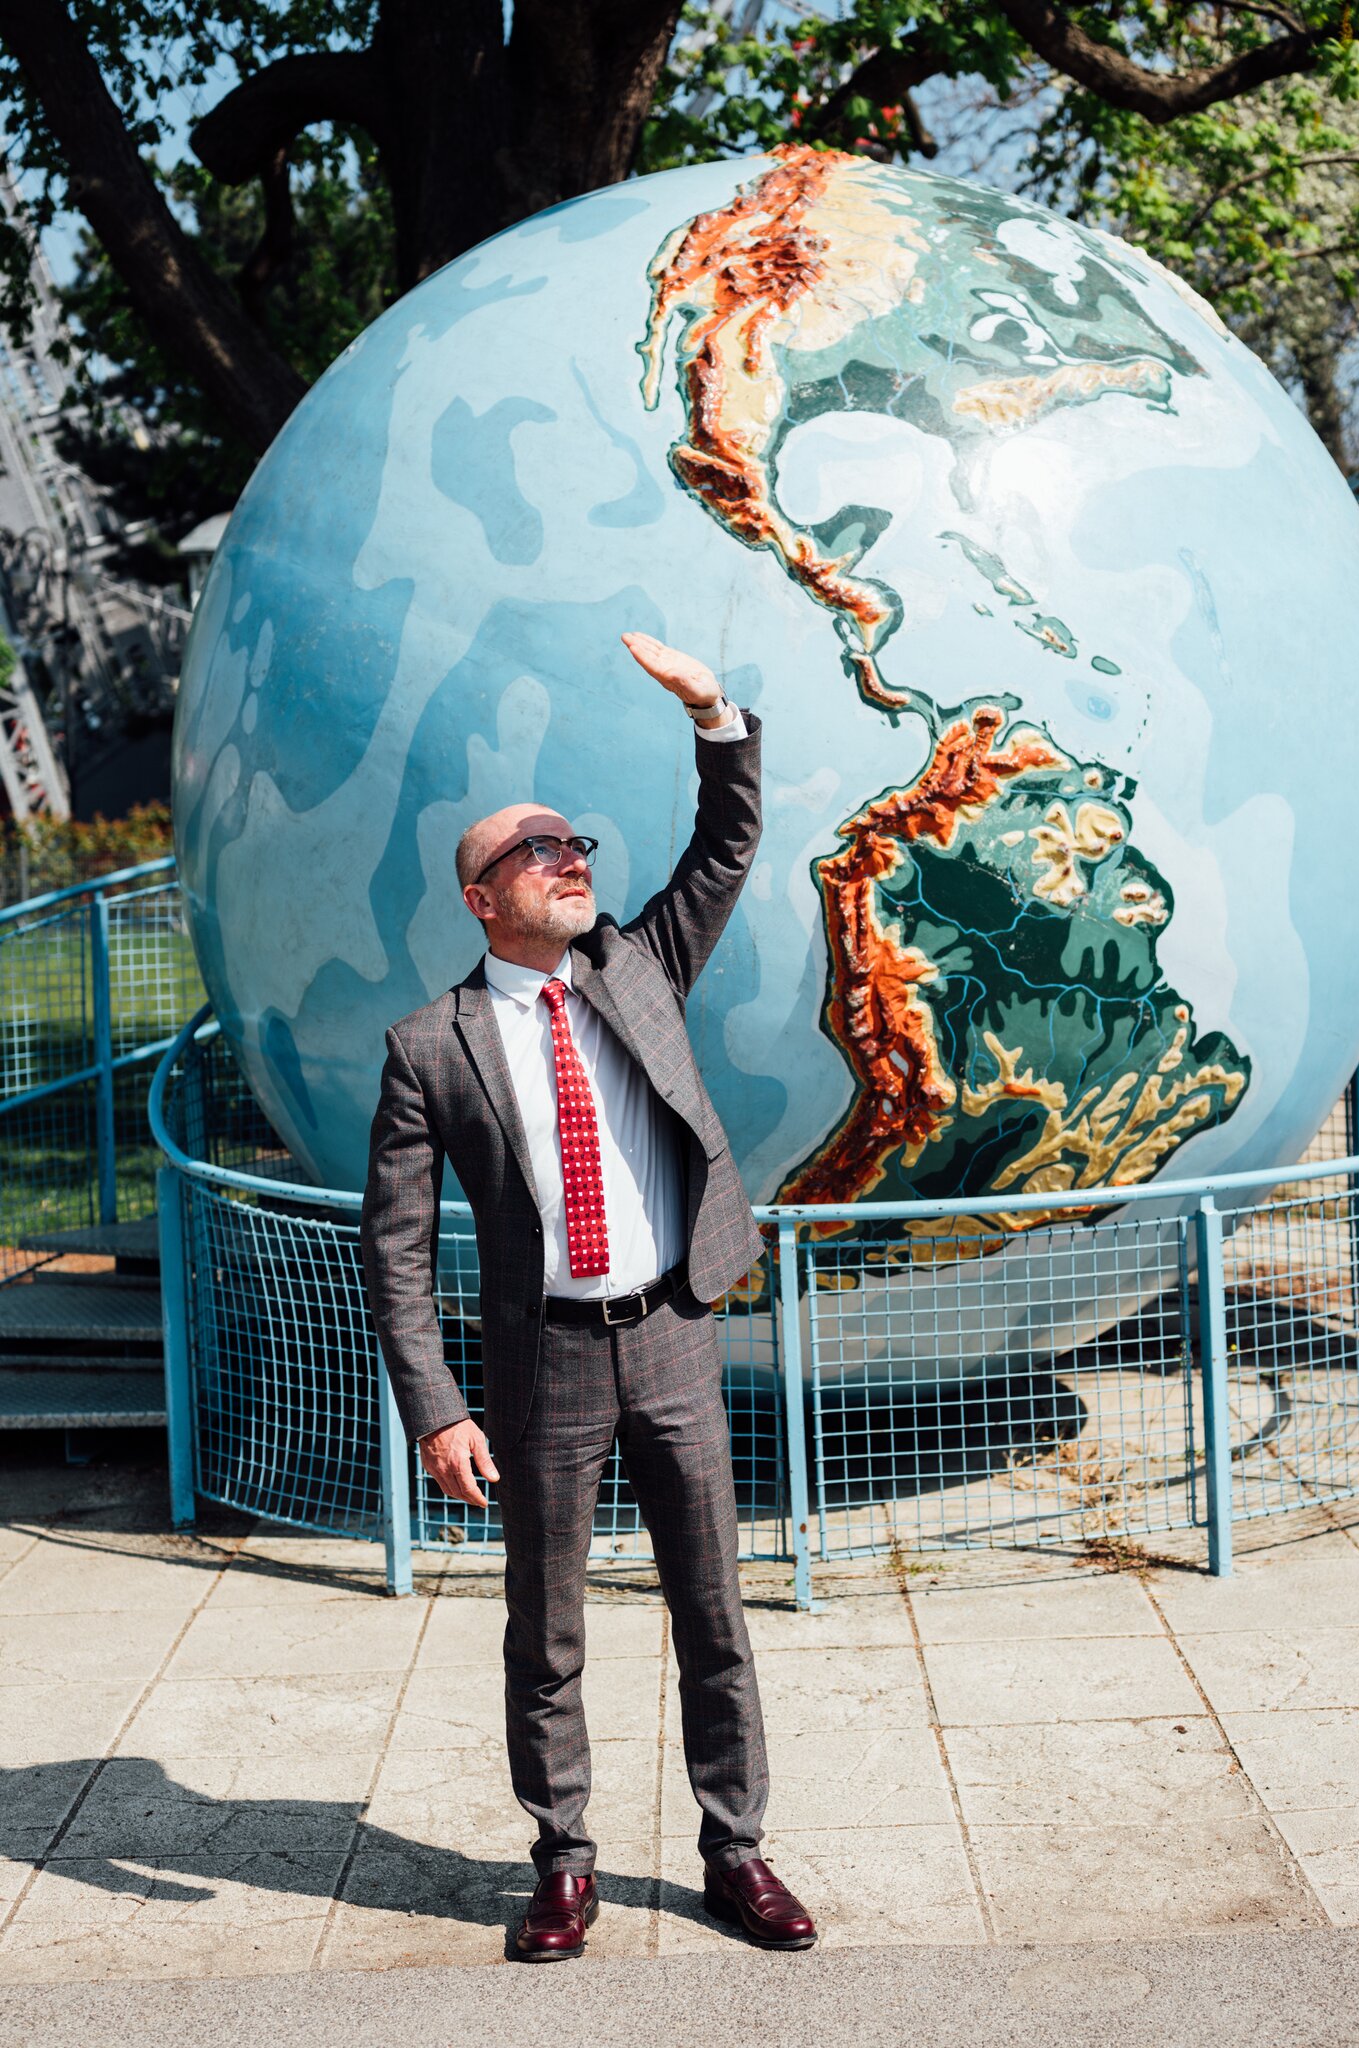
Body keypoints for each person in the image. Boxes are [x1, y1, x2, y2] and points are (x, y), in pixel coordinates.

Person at [360, 631, 816, 1962]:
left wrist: (714, 713)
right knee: (544, 1633)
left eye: (579, 848)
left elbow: (724, 846)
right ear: (481, 897)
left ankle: (736, 1850)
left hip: (673, 1331)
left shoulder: (638, 966)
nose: (574, 860)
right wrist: (437, 1407)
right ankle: (562, 1862)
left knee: (713, 1611)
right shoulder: (428, 1049)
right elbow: (392, 1249)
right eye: (540, 850)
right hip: (543, 1361)